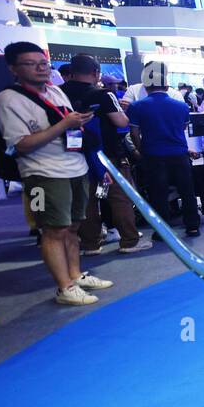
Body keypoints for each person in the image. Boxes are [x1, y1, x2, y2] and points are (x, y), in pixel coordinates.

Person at [0, 42, 114, 305]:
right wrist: (64, 125)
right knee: (53, 230)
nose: (40, 68)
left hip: (75, 167)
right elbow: (20, 144)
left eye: (43, 63)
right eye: (31, 63)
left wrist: (78, 123)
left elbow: (67, 125)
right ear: (13, 68)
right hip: (42, 174)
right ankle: (64, 287)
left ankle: (75, 274)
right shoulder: (8, 100)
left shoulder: (55, 93)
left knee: (73, 227)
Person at [60, 53, 148, 255]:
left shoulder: (58, 94)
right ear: (95, 73)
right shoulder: (103, 95)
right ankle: (130, 241)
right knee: (119, 198)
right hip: (108, 156)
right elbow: (121, 122)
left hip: (74, 156)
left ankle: (90, 244)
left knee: (87, 200)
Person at [127, 61, 200, 238]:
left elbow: (134, 132)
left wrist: (140, 149)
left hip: (153, 154)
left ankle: (163, 231)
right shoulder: (181, 106)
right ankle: (192, 226)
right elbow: (183, 128)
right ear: (166, 86)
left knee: (158, 194)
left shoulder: (137, 106)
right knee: (187, 190)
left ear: (146, 86)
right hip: (179, 153)